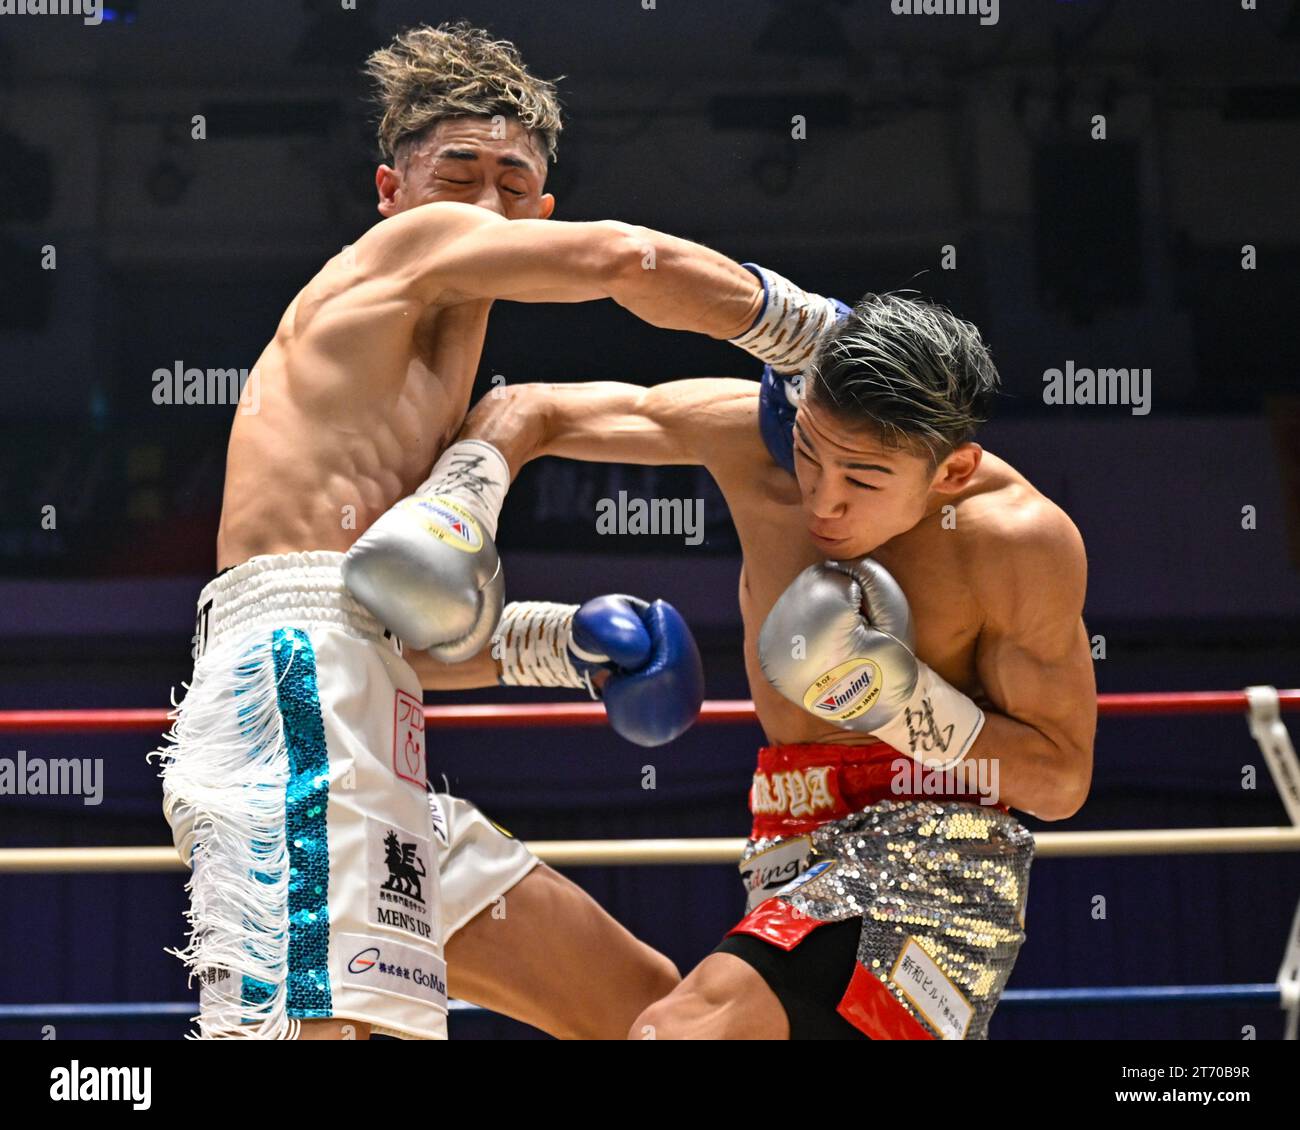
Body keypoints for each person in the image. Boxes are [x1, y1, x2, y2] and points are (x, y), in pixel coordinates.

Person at [150, 20, 836, 1040]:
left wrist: (562, 644)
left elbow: (403, 620)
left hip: (373, 712)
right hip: (300, 691)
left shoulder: (432, 406)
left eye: (512, 186)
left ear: (538, 209)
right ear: (391, 191)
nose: (483, 203)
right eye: (456, 171)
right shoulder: (400, 251)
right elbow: (622, 257)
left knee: (643, 1005)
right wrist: (814, 334)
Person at [451, 287, 1097, 1038]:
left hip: (938, 855)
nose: (822, 499)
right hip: (783, 848)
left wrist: (888, 701)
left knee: (681, 1029)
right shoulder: (749, 436)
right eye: (809, 453)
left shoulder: (1014, 539)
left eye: (862, 479)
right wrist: (453, 502)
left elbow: (1060, 779)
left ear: (951, 473)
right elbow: (531, 409)